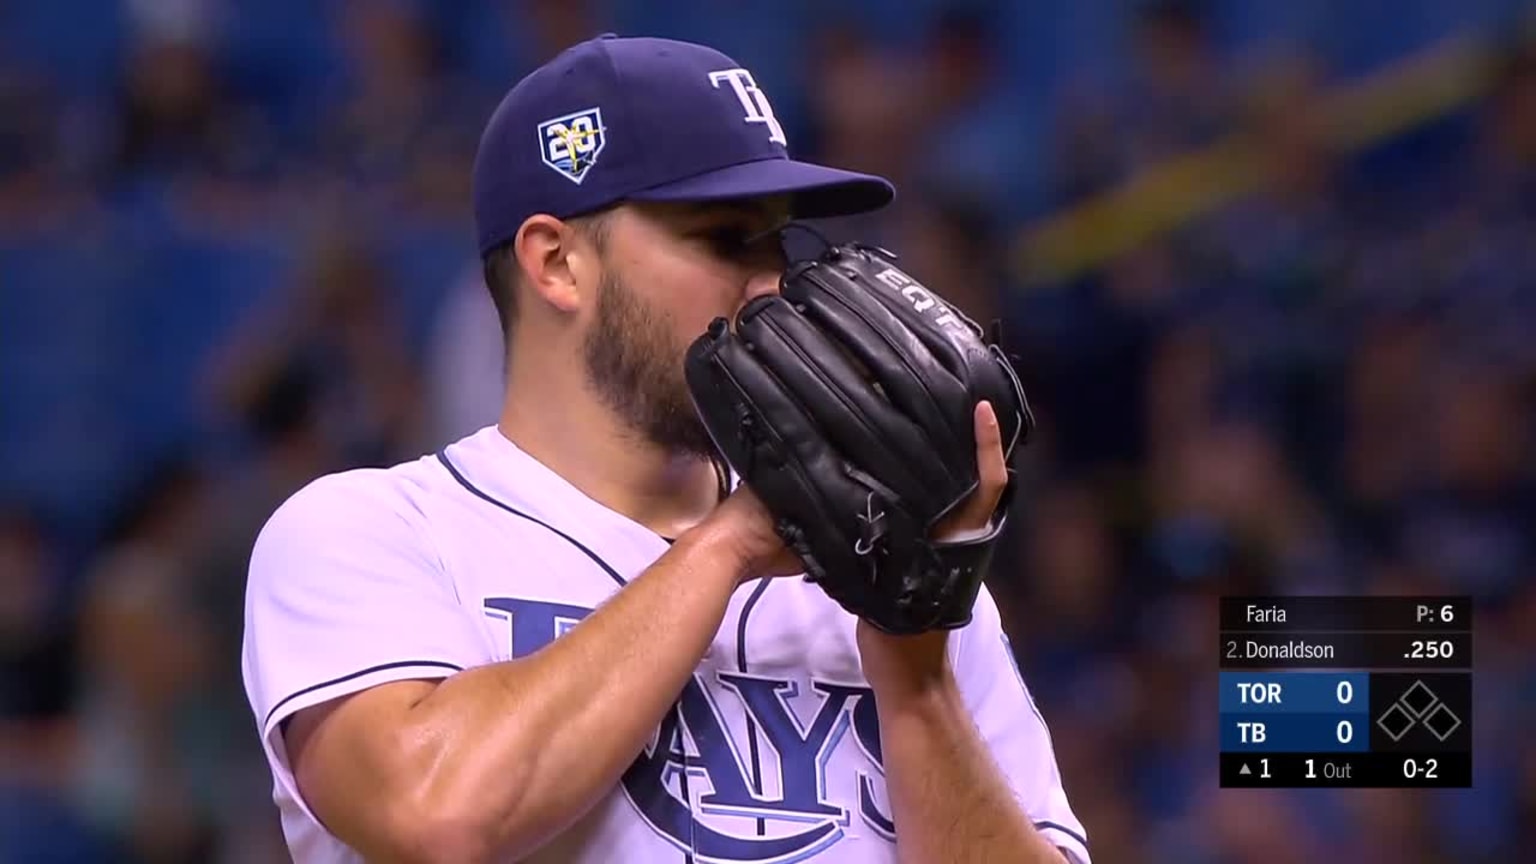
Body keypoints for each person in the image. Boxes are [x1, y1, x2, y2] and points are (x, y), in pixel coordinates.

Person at [241, 33, 1091, 864]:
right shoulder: (371, 533)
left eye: (778, 242)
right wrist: (727, 544)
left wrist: (915, 672)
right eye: (725, 238)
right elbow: (436, 816)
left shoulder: (887, 560)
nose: (772, 281)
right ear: (557, 262)